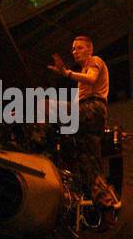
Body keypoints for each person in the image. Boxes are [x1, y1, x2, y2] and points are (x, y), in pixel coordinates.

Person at [47, 35, 119, 212]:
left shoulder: (95, 61)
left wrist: (66, 73)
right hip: (90, 117)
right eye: (73, 48)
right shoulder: (82, 77)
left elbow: (93, 78)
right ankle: (107, 202)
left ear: (90, 49)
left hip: (93, 109)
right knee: (89, 163)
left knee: (47, 106)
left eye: (79, 47)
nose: (74, 51)